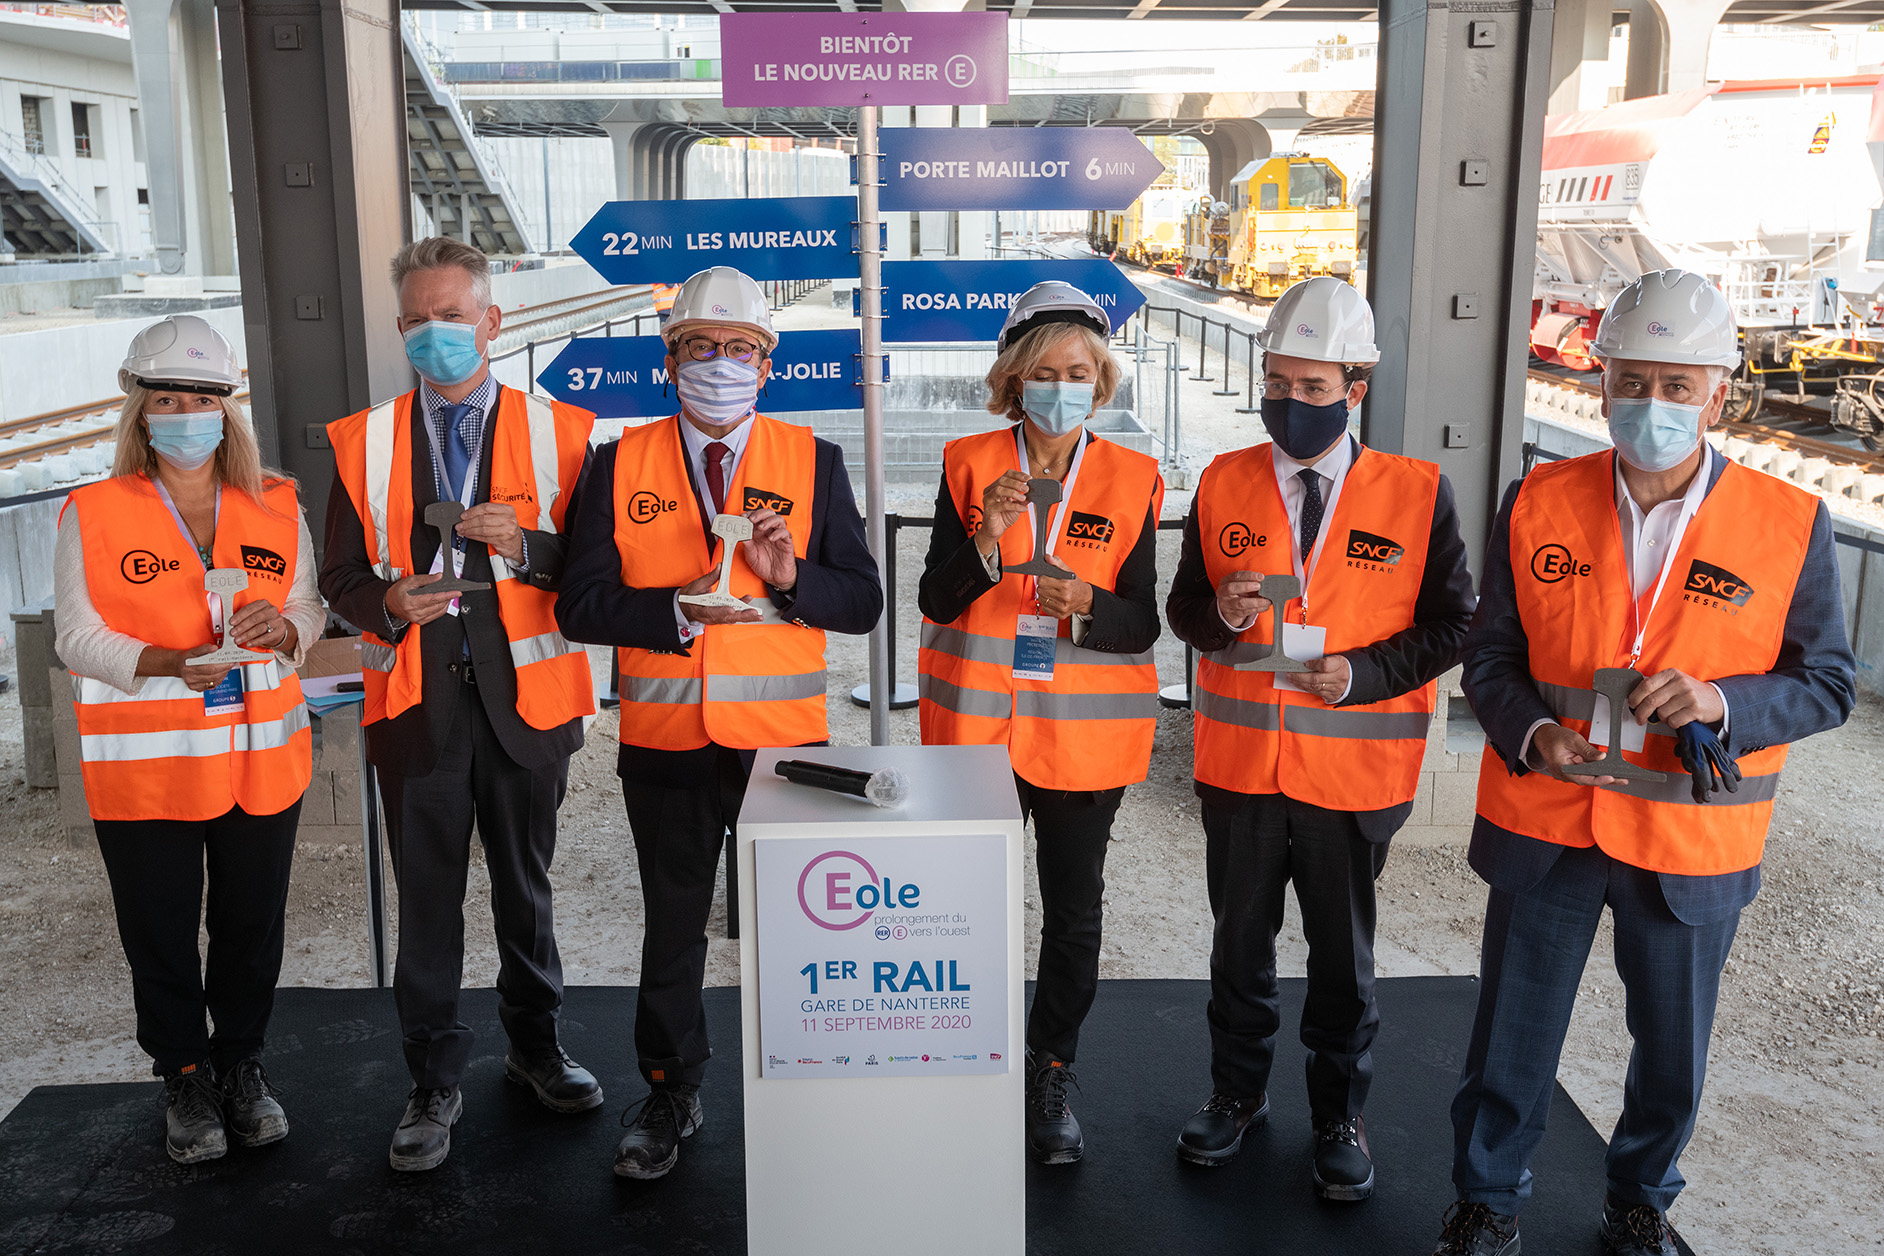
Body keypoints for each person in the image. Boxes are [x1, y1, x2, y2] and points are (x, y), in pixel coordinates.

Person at [1430, 270, 1855, 1256]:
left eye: (1676, 383)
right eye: (1632, 380)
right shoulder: (1539, 496)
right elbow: (1493, 655)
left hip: (1689, 837)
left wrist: (1722, 701)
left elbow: (1825, 682)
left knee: (1671, 1049)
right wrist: (1534, 731)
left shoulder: (1789, 523)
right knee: (1512, 1033)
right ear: (1601, 376)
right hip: (1552, 823)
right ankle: (1486, 1197)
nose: (1650, 404)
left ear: (1716, 389)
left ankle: (1641, 1198)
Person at [556, 265, 881, 1181]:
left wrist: (787, 581)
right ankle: (668, 1089)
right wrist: (673, 613)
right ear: (671, 361)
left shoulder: (811, 460)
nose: (720, 363)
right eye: (701, 347)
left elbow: (859, 601)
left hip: (783, 747)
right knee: (673, 926)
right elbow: (579, 604)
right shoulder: (619, 464)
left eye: (740, 348)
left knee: (806, 924)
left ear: (766, 363)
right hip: (667, 741)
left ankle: (819, 1080)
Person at [1165, 277, 1475, 1199]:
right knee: (1239, 948)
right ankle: (1235, 1094)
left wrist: (1364, 675)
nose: (1290, 404)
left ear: (1356, 388)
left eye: (1312, 388)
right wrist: (1216, 614)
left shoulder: (1419, 495)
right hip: (1243, 770)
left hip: (1354, 773)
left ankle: (1341, 1112)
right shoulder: (1224, 481)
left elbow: (1455, 625)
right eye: (1278, 383)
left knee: (1342, 962)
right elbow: (1185, 608)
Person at [320, 237, 599, 1173]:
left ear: (493, 319)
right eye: (416, 321)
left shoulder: (564, 431)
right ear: (400, 330)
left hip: (529, 703)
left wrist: (527, 546)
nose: (434, 333)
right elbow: (337, 575)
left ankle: (535, 1049)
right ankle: (432, 1081)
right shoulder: (360, 441)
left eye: (451, 315)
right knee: (428, 902)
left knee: (527, 892)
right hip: (413, 707)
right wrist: (385, 603)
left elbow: (593, 571)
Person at [55, 315, 322, 1164]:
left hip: (259, 761)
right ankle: (182, 1073)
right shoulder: (93, 511)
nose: (184, 413)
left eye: (200, 398)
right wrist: (166, 660)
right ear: (139, 410)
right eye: (165, 398)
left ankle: (241, 1066)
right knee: (160, 930)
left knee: (251, 927)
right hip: (151, 766)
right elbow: (74, 636)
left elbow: (309, 607)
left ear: (226, 407)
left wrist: (285, 631)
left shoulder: (276, 501)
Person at [915, 281, 1163, 1166]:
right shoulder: (968, 461)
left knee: (1073, 914)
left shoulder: (1135, 478)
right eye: (1045, 372)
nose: (1062, 385)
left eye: (1080, 372)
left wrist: (1090, 602)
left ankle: (1050, 1067)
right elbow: (935, 597)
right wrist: (987, 539)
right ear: (1015, 381)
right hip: (976, 733)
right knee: (960, 910)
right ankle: (964, 1054)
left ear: (1101, 383)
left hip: (1081, 740)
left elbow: (1144, 624)